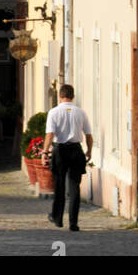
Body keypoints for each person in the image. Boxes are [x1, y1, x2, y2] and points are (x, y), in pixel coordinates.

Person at [41, 84, 93, 231]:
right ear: (73, 96)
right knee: (74, 187)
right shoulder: (81, 113)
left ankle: (57, 219)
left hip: (60, 150)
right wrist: (88, 151)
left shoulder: (54, 112)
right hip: (76, 150)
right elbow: (88, 135)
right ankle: (73, 223)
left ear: (60, 96)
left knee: (59, 185)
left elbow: (50, 135)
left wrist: (45, 152)